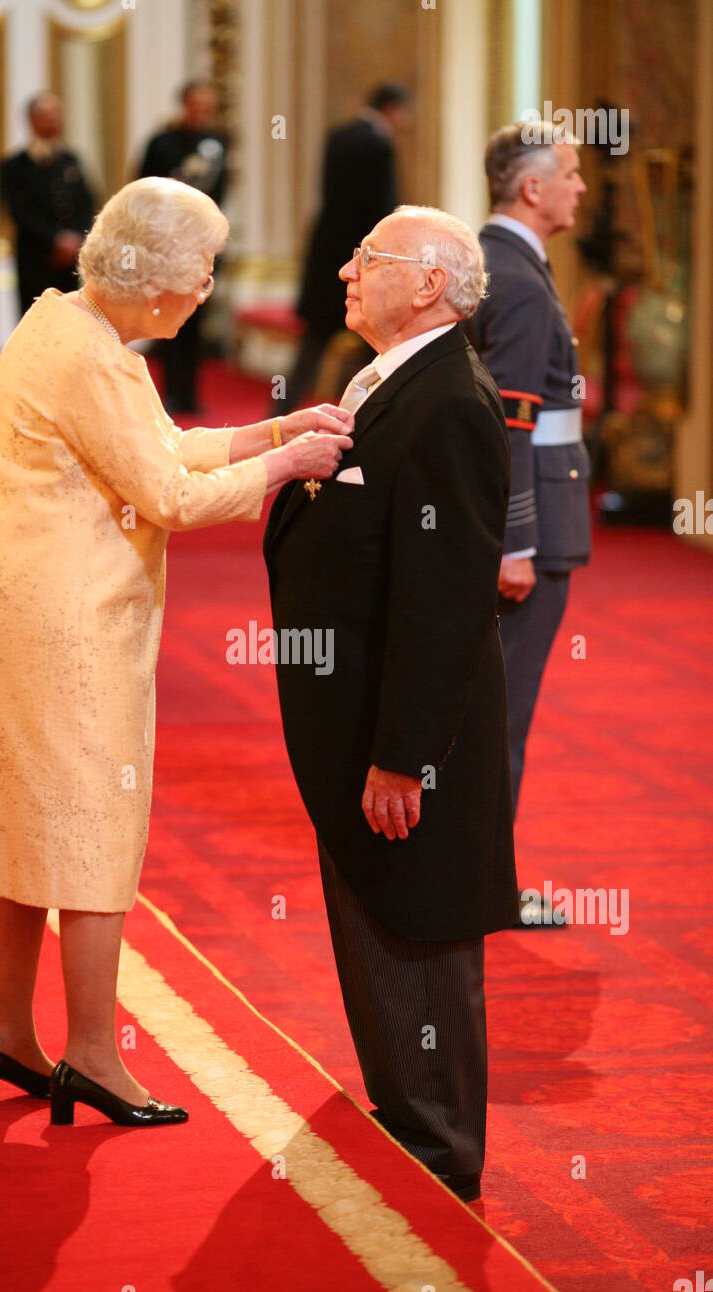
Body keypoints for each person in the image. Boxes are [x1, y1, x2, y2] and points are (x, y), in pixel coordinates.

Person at [0, 177, 353, 1129]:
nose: (209, 288)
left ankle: (7, 1030)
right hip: (70, 622)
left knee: (25, 818)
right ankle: (92, 1054)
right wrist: (286, 466)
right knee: (90, 826)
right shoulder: (91, 356)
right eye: (201, 272)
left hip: (21, 605)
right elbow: (167, 497)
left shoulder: (67, 326)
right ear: (151, 278)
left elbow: (159, 447)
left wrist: (272, 429)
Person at [263, 206, 519, 1203]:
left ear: (425, 285)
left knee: (416, 930)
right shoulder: (391, 379)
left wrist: (403, 755)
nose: (342, 269)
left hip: (399, 735)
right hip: (353, 719)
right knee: (375, 926)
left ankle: (437, 1155)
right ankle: (402, 1123)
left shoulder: (450, 401)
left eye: (364, 258)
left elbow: (443, 603)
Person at [466, 122, 591, 925]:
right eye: (572, 174)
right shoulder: (515, 278)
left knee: (498, 717)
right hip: (531, 530)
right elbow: (509, 421)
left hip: (538, 519)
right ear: (532, 189)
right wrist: (516, 543)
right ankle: (486, 890)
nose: (582, 187)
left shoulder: (505, 265)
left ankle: (479, 882)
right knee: (501, 722)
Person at [276, 82, 411, 416]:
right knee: (371, 348)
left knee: (312, 348)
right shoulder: (379, 144)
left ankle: (277, 416)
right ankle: (357, 417)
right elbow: (383, 211)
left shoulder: (338, 135)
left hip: (325, 258)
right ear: (393, 109)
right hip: (361, 262)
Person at [136, 82, 229, 413]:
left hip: (201, 244)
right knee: (168, 315)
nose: (201, 111)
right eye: (196, 104)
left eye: (207, 105)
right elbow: (145, 191)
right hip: (167, 245)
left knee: (196, 319)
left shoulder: (217, 143)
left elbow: (220, 194)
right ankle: (170, 393)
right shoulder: (160, 144)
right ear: (184, 105)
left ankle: (191, 393)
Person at [0, 93, 95, 316]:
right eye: (47, 115)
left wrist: (76, 238)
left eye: (57, 115)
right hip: (35, 256)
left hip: (69, 258)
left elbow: (86, 201)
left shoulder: (71, 159)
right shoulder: (15, 166)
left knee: (68, 316)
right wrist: (54, 240)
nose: (54, 121)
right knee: (36, 317)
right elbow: (19, 211)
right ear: (32, 120)